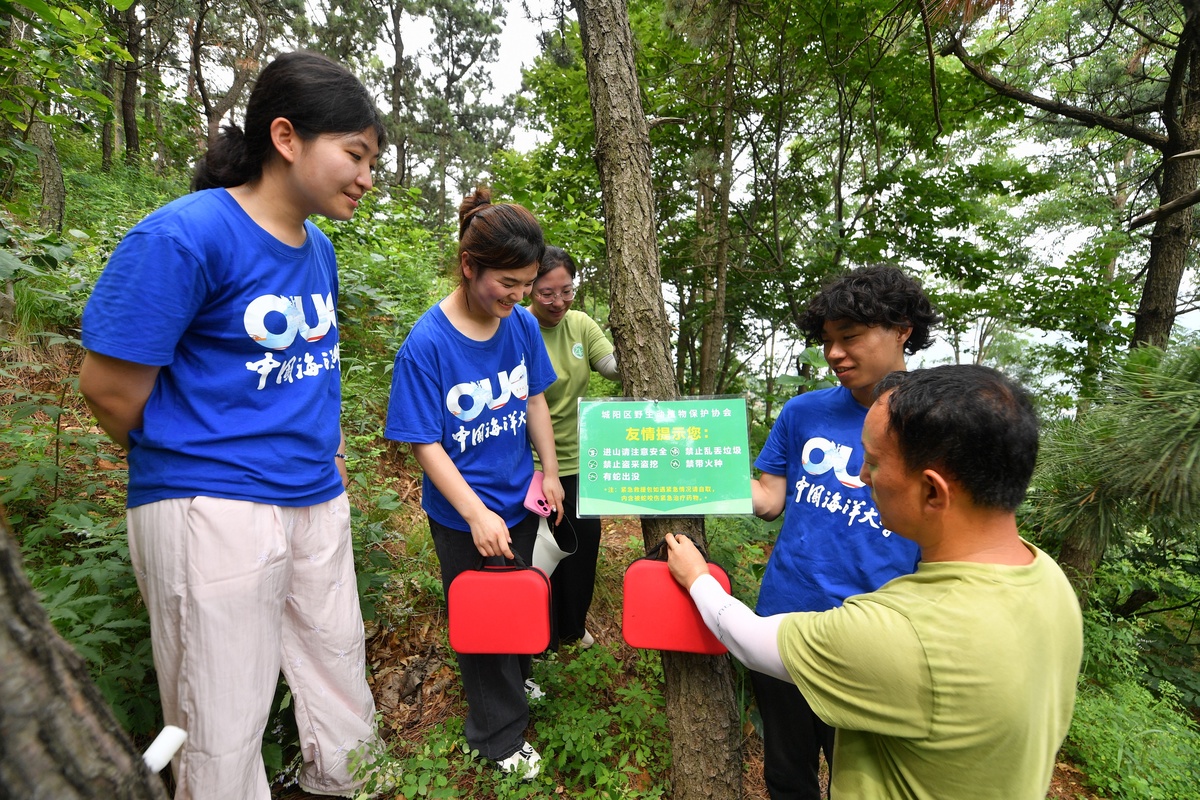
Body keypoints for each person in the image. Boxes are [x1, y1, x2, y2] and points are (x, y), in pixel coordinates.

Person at [78, 52, 385, 800]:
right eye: (355, 154)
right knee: (219, 715)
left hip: (312, 495)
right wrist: (201, 461)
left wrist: (327, 451)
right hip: (211, 506)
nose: (367, 177)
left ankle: (344, 787)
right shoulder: (185, 237)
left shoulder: (318, 250)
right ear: (286, 137)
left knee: (337, 668)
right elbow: (110, 389)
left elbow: (312, 366)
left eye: (372, 160)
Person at [668, 365, 1084, 799]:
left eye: (874, 462)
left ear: (932, 492)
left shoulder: (907, 633)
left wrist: (697, 576)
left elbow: (750, 640)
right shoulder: (1046, 578)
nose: (862, 476)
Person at [384, 187, 563, 781]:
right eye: (506, 284)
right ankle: (496, 736)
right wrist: (474, 514)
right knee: (483, 620)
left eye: (526, 285)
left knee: (516, 594)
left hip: (518, 496)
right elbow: (424, 442)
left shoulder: (519, 327)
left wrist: (551, 470)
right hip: (464, 513)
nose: (516, 297)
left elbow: (534, 396)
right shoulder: (427, 345)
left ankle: (517, 679)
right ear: (469, 266)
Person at [747, 264, 940, 799]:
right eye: (828, 341)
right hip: (783, 619)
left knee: (860, 780)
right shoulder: (803, 411)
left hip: (874, 639)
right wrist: (701, 482)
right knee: (787, 773)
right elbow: (769, 500)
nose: (834, 353)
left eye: (850, 337)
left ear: (902, 330)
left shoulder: (938, 422)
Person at [527, 246, 620, 647]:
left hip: (581, 461)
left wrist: (641, 345)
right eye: (548, 292)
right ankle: (538, 634)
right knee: (539, 553)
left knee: (582, 549)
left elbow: (612, 367)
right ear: (530, 288)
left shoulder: (580, 324)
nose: (558, 302)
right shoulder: (517, 325)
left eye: (566, 291)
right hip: (529, 463)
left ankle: (572, 627)